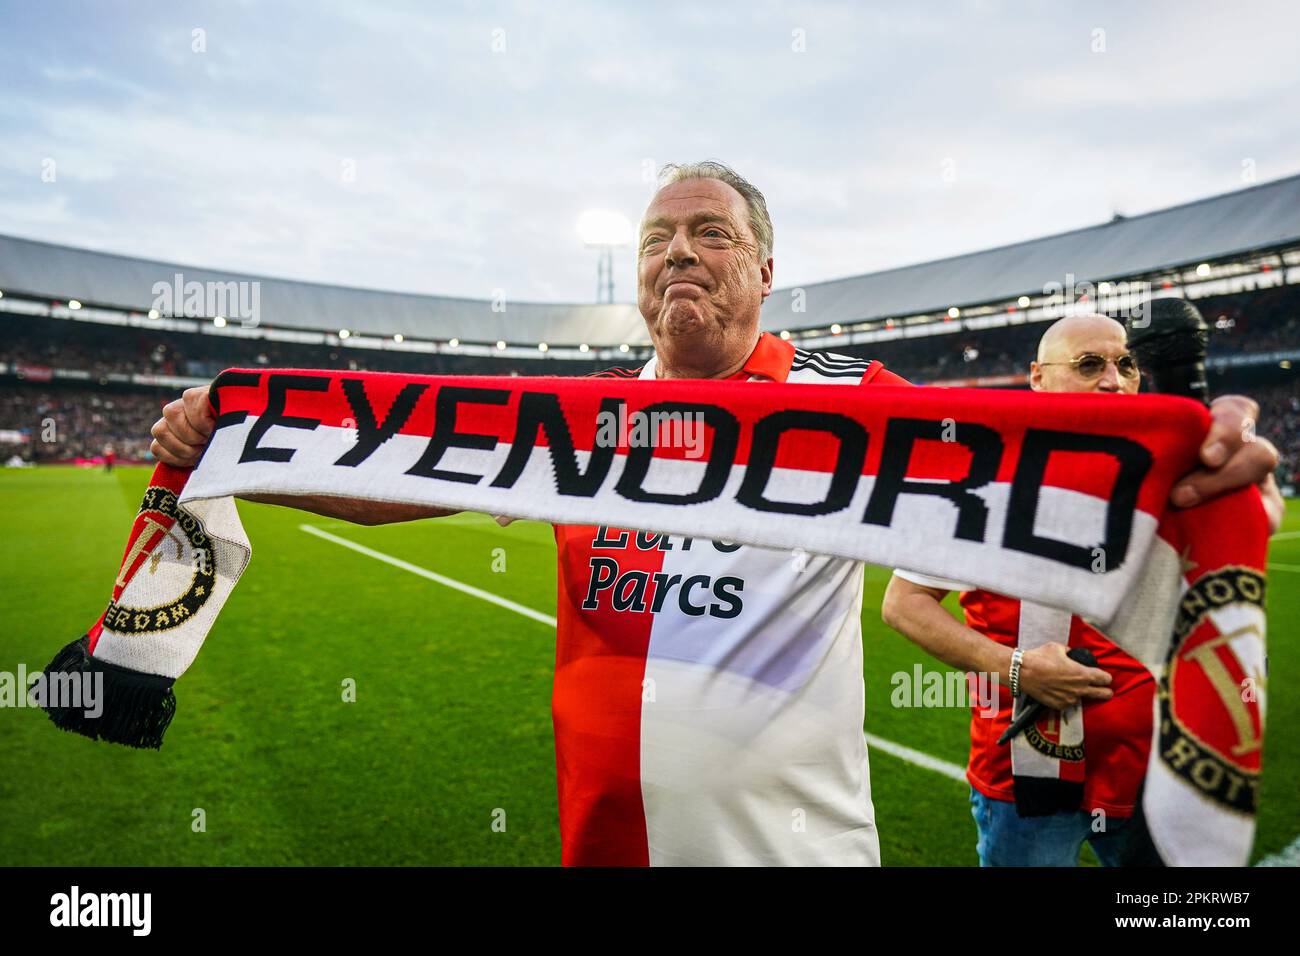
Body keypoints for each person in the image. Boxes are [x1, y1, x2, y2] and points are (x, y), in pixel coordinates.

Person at [148, 163, 1281, 866]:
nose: (679, 251)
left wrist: (1193, 447)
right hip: (606, 845)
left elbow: (1030, 457)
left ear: (766, 270)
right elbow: (390, 479)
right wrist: (234, 445)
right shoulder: (581, 421)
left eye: (711, 233)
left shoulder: (850, 405)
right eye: (656, 238)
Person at [881, 313, 1279, 866]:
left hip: (1155, 767)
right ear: (1037, 377)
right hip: (1026, 778)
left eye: (1126, 365)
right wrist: (1016, 667)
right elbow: (903, 604)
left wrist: (1248, 504)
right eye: (1089, 365)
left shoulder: (1175, 473)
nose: (1113, 381)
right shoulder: (984, 479)